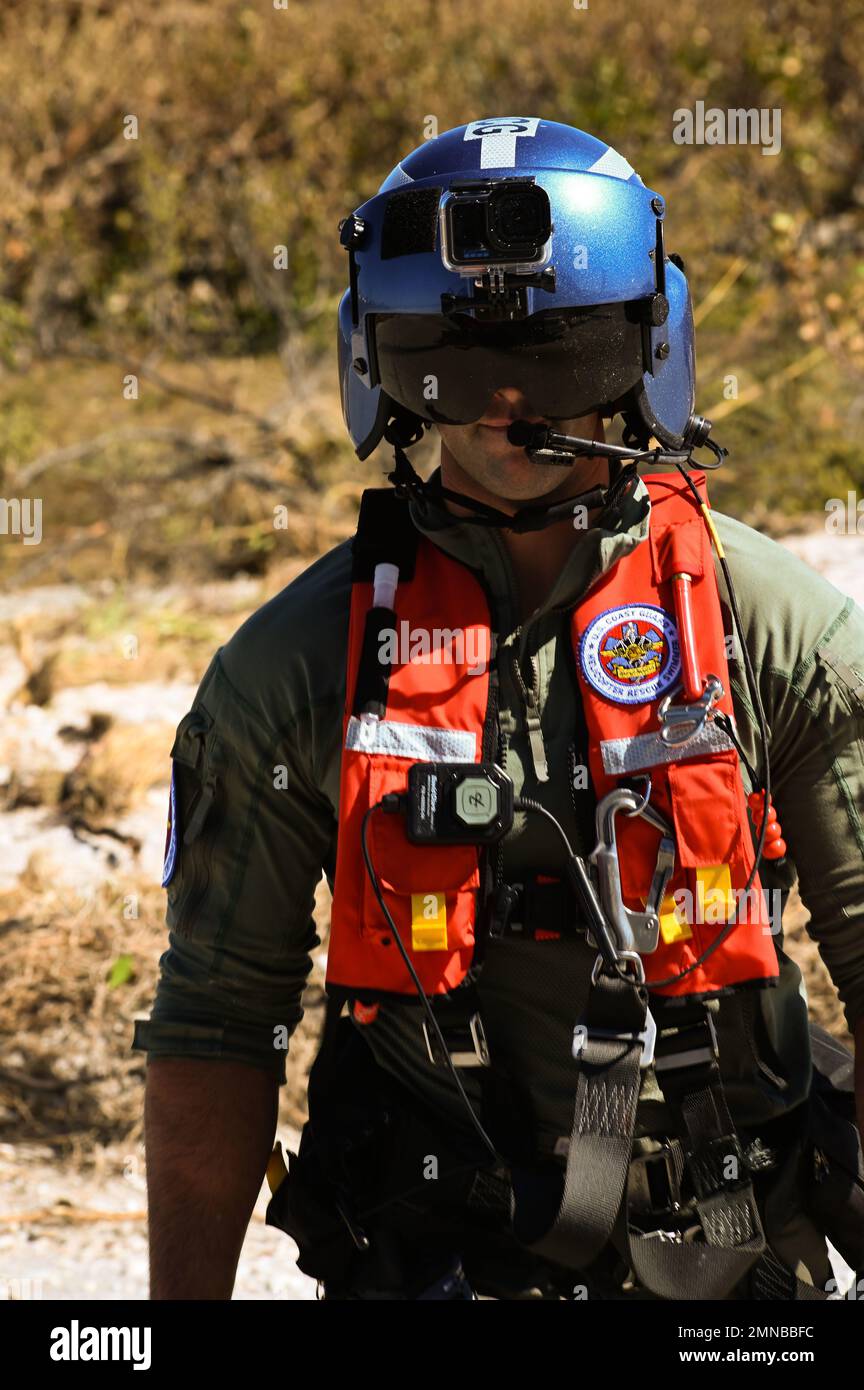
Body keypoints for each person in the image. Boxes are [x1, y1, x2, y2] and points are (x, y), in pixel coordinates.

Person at [135, 118, 864, 1301]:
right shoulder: (291, 672)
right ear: (384, 367)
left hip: (725, 1263)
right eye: (453, 364)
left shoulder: (775, 632)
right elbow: (218, 1026)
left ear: (641, 349)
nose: (504, 401)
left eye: (557, 351)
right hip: (432, 1256)